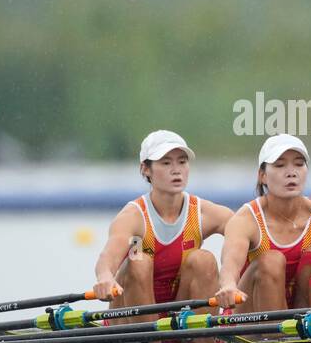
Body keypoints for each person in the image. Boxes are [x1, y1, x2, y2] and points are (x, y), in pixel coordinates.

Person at [215, 134, 311, 321]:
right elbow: (230, 263)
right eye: (280, 165)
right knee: (271, 260)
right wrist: (228, 285)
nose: (291, 172)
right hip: (250, 318)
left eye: (299, 164)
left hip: (299, 312)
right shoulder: (246, 220)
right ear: (262, 175)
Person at [94, 131, 233, 318]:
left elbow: (252, 237)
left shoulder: (203, 213)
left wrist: (230, 282)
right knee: (138, 260)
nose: (176, 170)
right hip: (131, 317)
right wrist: (105, 278)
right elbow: (108, 257)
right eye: (166, 163)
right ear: (145, 169)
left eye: (182, 162)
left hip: (178, 312)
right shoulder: (133, 216)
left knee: (204, 260)